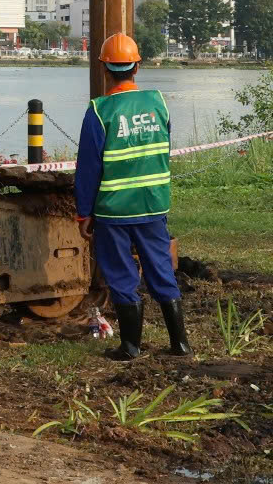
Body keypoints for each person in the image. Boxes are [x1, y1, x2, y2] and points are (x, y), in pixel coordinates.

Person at [73, 33, 189, 358]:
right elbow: (162, 147)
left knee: (122, 274)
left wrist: (84, 213)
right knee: (161, 269)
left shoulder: (99, 111)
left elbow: (88, 169)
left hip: (114, 210)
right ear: (137, 67)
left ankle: (130, 346)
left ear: (104, 69)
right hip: (153, 204)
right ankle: (180, 344)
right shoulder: (158, 102)